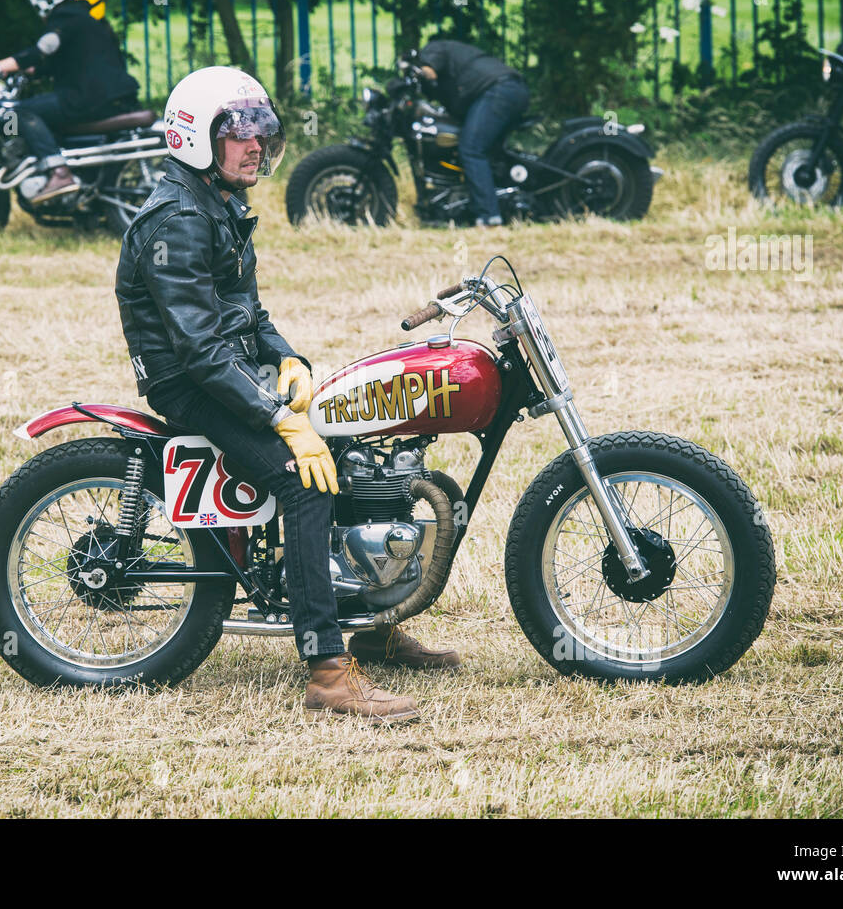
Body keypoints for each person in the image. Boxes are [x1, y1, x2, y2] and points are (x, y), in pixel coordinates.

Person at [115, 66, 458, 724]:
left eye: (261, 135)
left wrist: (290, 360)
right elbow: (200, 350)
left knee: (356, 453)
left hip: (228, 368)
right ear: (195, 139)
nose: (255, 147)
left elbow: (250, 314)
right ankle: (328, 670)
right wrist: (278, 415)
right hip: (190, 384)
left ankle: (374, 626)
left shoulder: (218, 202)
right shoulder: (179, 220)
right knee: (307, 482)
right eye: (238, 134)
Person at [0, 0, 139, 204]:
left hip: (89, 98)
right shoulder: (84, 18)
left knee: (20, 112)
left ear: (42, 2)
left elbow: (42, 50)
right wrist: (31, 70)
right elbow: (67, 61)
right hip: (111, 96)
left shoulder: (65, 18)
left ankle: (59, 171)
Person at [412, 38, 531, 227]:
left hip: (500, 90)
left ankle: (489, 217)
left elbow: (430, 71)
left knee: (471, 148)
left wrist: (416, 71)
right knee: (485, 148)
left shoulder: (434, 48)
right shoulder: (451, 65)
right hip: (505, 90)